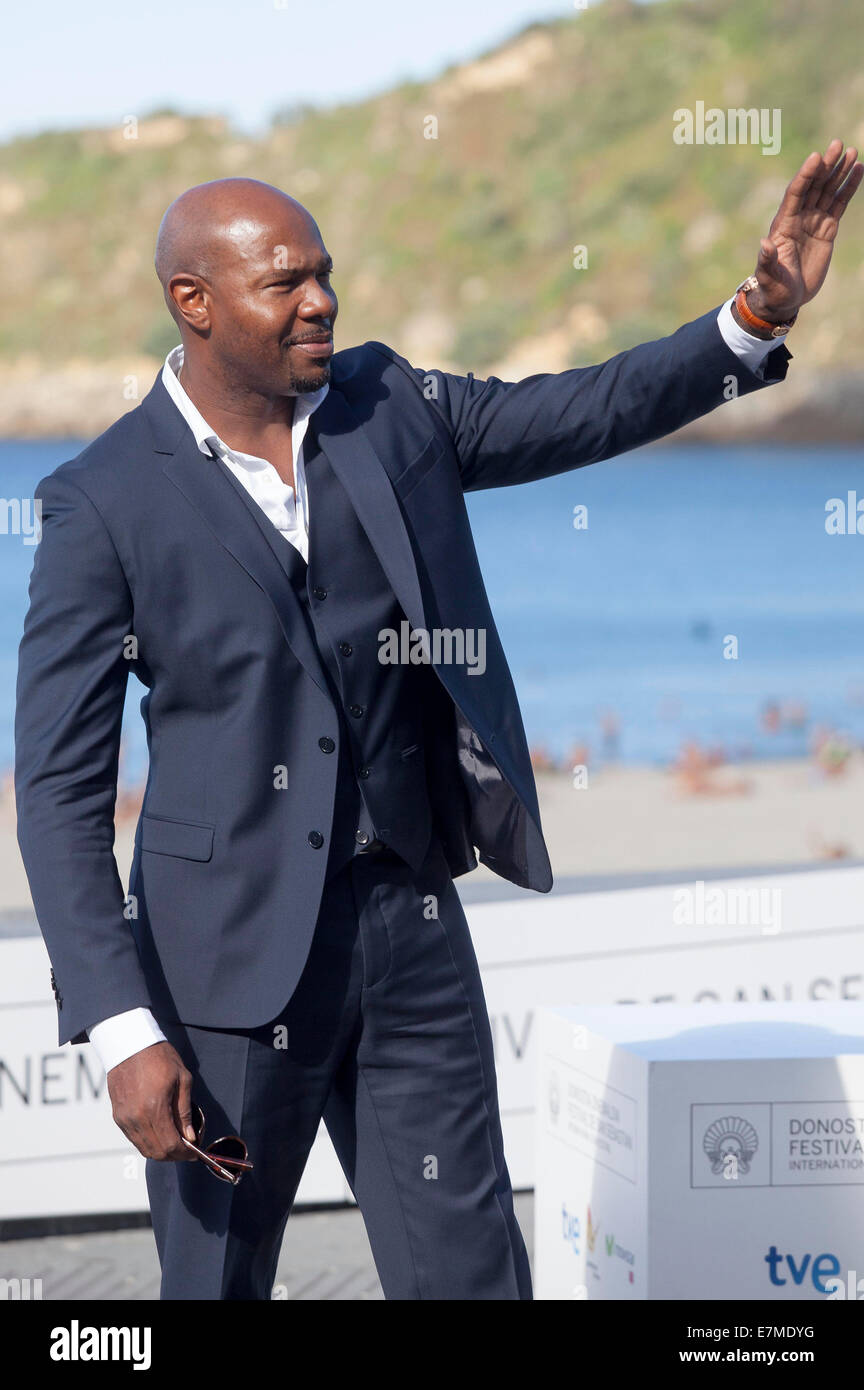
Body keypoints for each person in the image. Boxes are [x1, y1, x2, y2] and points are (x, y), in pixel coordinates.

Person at [15, 141, 861, 1300]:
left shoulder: (389, 407)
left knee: (471, 1276)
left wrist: (752, 317)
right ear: (194, 303)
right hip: (217, 971)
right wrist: (118, 1024)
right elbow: (57, 787)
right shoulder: (99, 503)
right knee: (213, 1285)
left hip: (408, 927)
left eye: (325, 272)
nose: (323, 300)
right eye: (287, 282)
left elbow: (582, 410)